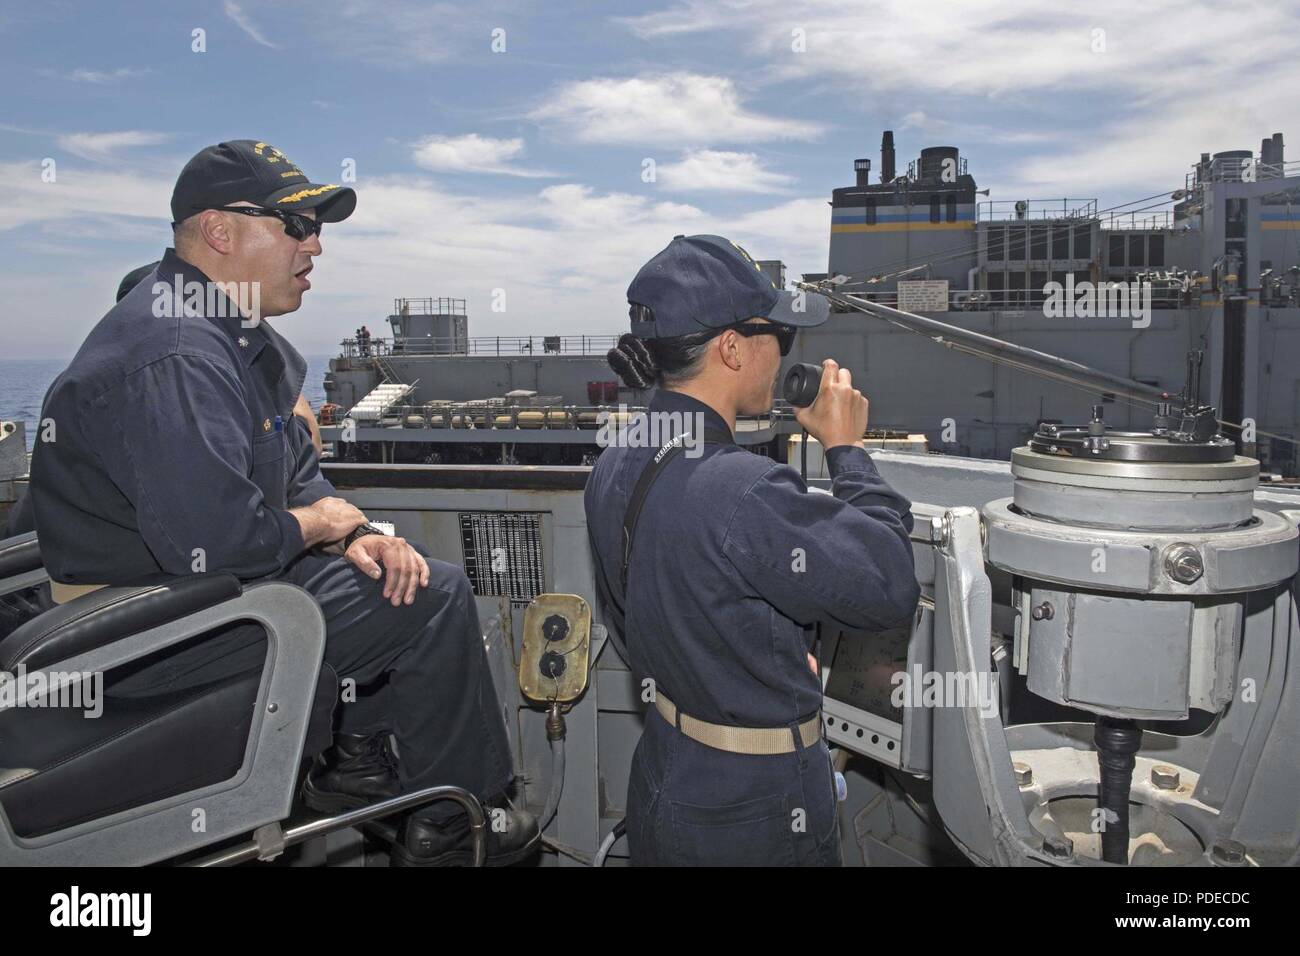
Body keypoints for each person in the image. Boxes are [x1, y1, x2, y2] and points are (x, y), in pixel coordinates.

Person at [27, 139, 537, 865]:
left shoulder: (234, 340)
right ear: (219, 231)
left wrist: (352, 531)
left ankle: (364, 774)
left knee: (395, 572)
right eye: (294, 224)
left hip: (196, 598)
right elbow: (218, 545)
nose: (315, 244)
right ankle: (457, 825)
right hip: (142, 633)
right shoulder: (176, 353)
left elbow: (294, 475)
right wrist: (320, 523)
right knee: (436, 596)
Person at [584, 234, 920, 866]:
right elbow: (888, 581)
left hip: (664, 772)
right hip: (756, 811)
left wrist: (759, 660)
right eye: (782, 338)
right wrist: (847, 452)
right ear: (732, 348)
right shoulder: (745, 489)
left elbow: (642, 618)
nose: (787, 355)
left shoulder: (614, 464)